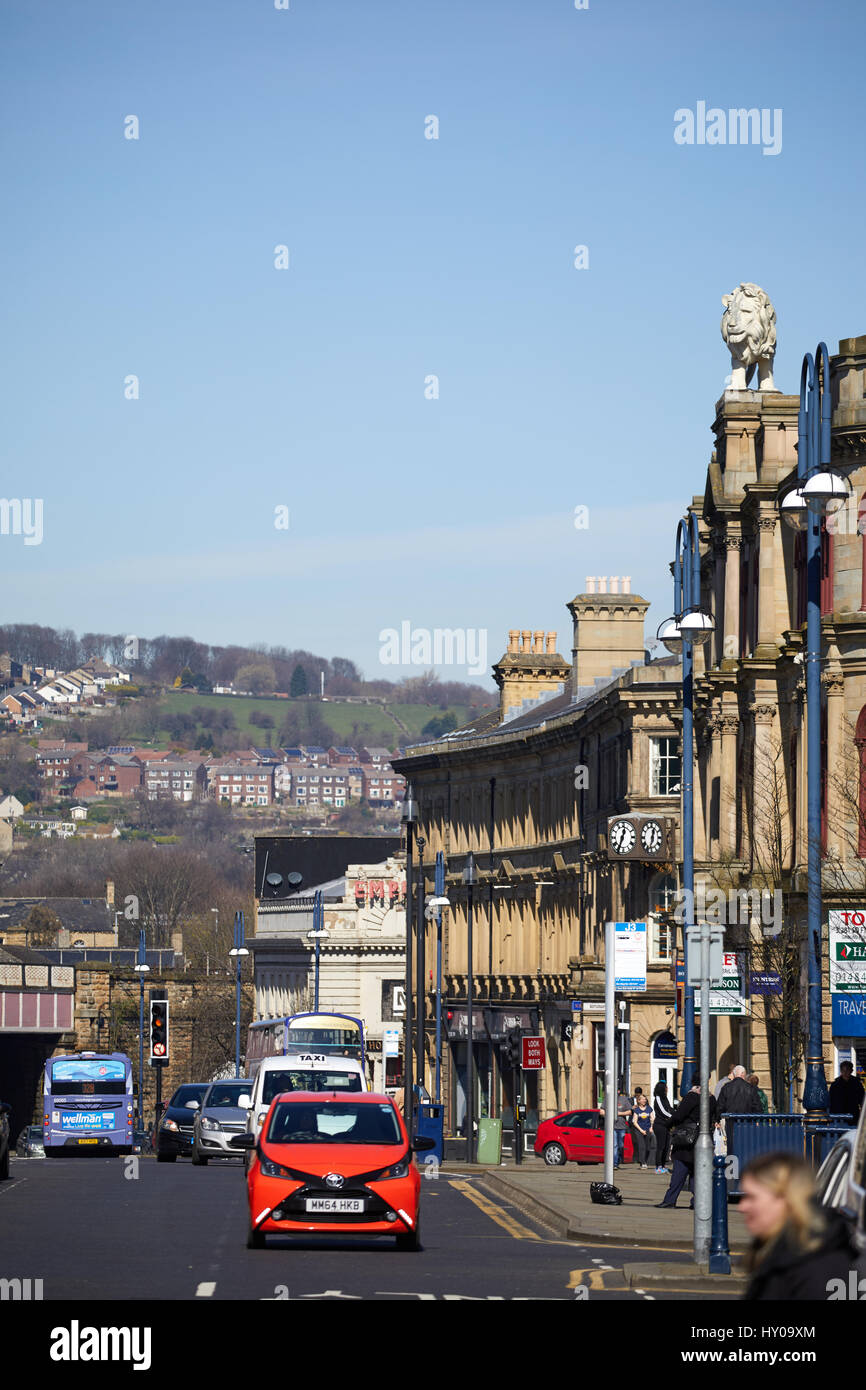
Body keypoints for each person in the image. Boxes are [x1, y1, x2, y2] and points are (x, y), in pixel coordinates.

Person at [741, 1151, 862, 1300]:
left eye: (751, 1197)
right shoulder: (780, 1252)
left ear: (786, 1199)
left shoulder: (818, 1267)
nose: (742, 1207)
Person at [655, 1074, 717, 1209]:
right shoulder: (711, 1098)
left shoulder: (692, 1096)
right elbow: (715, 1115)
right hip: (704, 1138)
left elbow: (679, 1115)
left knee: (680, 1169)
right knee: (697, 1172)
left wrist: (667, 1125)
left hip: (687, 1139)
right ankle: (698, 1201)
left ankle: (670, 1199)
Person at [717, 1064, 763, 1148]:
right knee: (745, 1146)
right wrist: (756, 1120)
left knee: (731, 1147)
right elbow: (758, 1107)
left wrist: (717, 1120)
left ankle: (732, 1160)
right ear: (743, 1074)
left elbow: (720, 1106)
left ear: (734, 1075)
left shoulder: (726, 1087)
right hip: (746, 1123)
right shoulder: (751, 1088)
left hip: (730, 1123)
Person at [828, 1060, 865, 1125]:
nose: (845, 1072)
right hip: (838, 1116)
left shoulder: (857, 1083)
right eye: (843, 1070)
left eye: (847, 1070)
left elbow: (862, 1100)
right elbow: (830, 1101)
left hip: (853, 1116)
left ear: (851, 1071)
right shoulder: (835, 1084)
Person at [630, 1093, 655, 1168]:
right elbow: (634, 1121)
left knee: (647, 1147)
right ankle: (643, 1162)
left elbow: (652, 1118)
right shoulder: (637, 1110)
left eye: (645, 1099)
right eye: (642, 1099)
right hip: (639, 1130)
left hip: (647, 1129)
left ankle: (645, 1161)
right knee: (642, 1146)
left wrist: (651, 1127)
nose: (644, 1100)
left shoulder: (649, 1109)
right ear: (639, 1101)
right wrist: (641, 1130)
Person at [653, 1080, 673, 1172]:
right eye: (666, 1087)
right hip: (659, 1124)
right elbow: (663, 1111)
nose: (667, 1089)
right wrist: (673, 1117)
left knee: (666, 1146)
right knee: (661, 1146)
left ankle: (663, 1164)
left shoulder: (665, 1098)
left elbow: (669, 1109)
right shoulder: (658, 1098)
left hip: (666, 1125)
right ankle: (658, 1166)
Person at [612, 1091, 632, 1168]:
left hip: (622, 1127)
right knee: (615, 1145)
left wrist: (619, 1113)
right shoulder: (608, 1098)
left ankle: (619, 1160)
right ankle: (615, 1164)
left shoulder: (624, 1099)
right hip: (612, 1127)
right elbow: (602, 1111)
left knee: (621, 1146)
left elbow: (630, 1112)